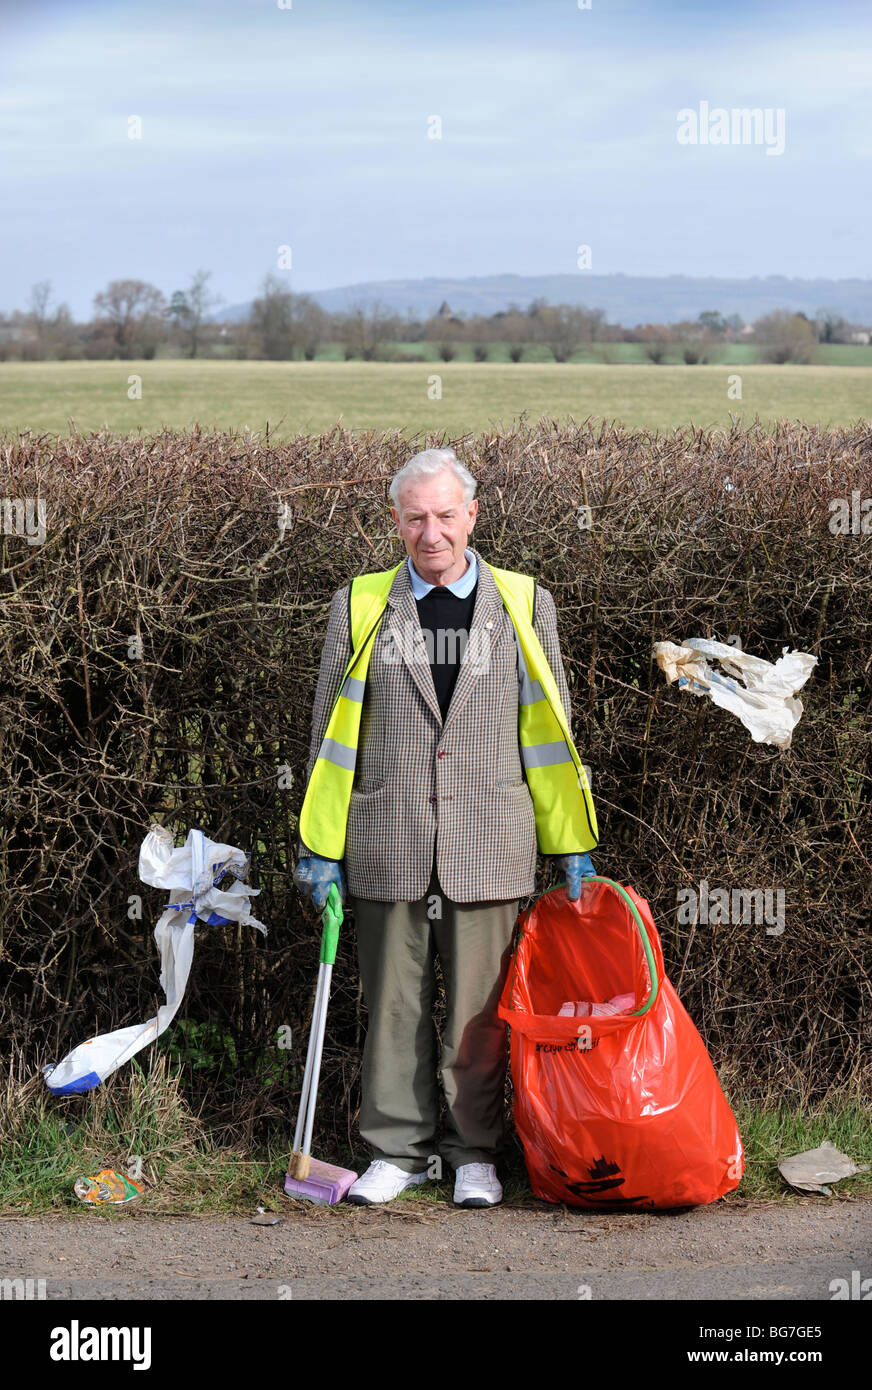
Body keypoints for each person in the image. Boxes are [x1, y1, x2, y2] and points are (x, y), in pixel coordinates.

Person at [293, 447, 598, 1206]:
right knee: (391, 1005)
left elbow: (550, 732)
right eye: (415, 518)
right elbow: (329, 738)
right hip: (386, 840)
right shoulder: (359, 604)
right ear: (396, 522)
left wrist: (571, 842)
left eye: (445, 516)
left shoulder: (526, 603)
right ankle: (397, 1152)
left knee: (480, 1014)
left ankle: (472, 1156)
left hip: (490, 841)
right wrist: (318, 846)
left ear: (472, 516)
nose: (432, 533)